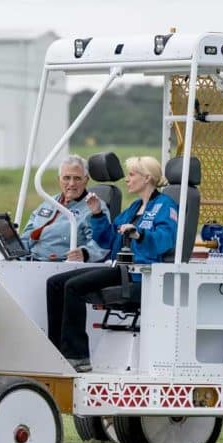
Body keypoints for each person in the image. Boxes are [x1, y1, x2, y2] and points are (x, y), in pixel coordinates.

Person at [46, 156, 178, 372]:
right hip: (119, 267)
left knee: (74, 287)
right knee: (55, 283)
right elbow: (108, 239)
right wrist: (97, 213)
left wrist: (139, 234)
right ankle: (55, 349)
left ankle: (77, 356)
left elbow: (166, 238)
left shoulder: (165, 206)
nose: (127, 179)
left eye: (132, 174)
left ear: (147, 178)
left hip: (139, 273)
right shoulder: (134, 207)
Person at [20, 155, 109, 263]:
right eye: (66, 178)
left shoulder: (95, 207)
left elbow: (102, 244)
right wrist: (16, 253)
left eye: (77, 178)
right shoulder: (49, 202)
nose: (71, 184)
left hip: (61, 266)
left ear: (86, 180)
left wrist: (84, 254)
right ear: (59, 180)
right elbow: (27, 233)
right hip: (30, 262)